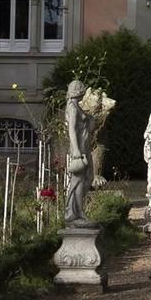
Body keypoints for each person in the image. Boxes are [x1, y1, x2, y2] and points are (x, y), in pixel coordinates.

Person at [62, 80, 91, 224]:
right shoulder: (72, 107)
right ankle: (76, 213)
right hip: (78, 150)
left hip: (83, 147)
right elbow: (71, 129)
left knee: (86, 180)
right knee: (78, 181)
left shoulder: (76, 106)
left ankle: (77, 211)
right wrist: (76, 150)